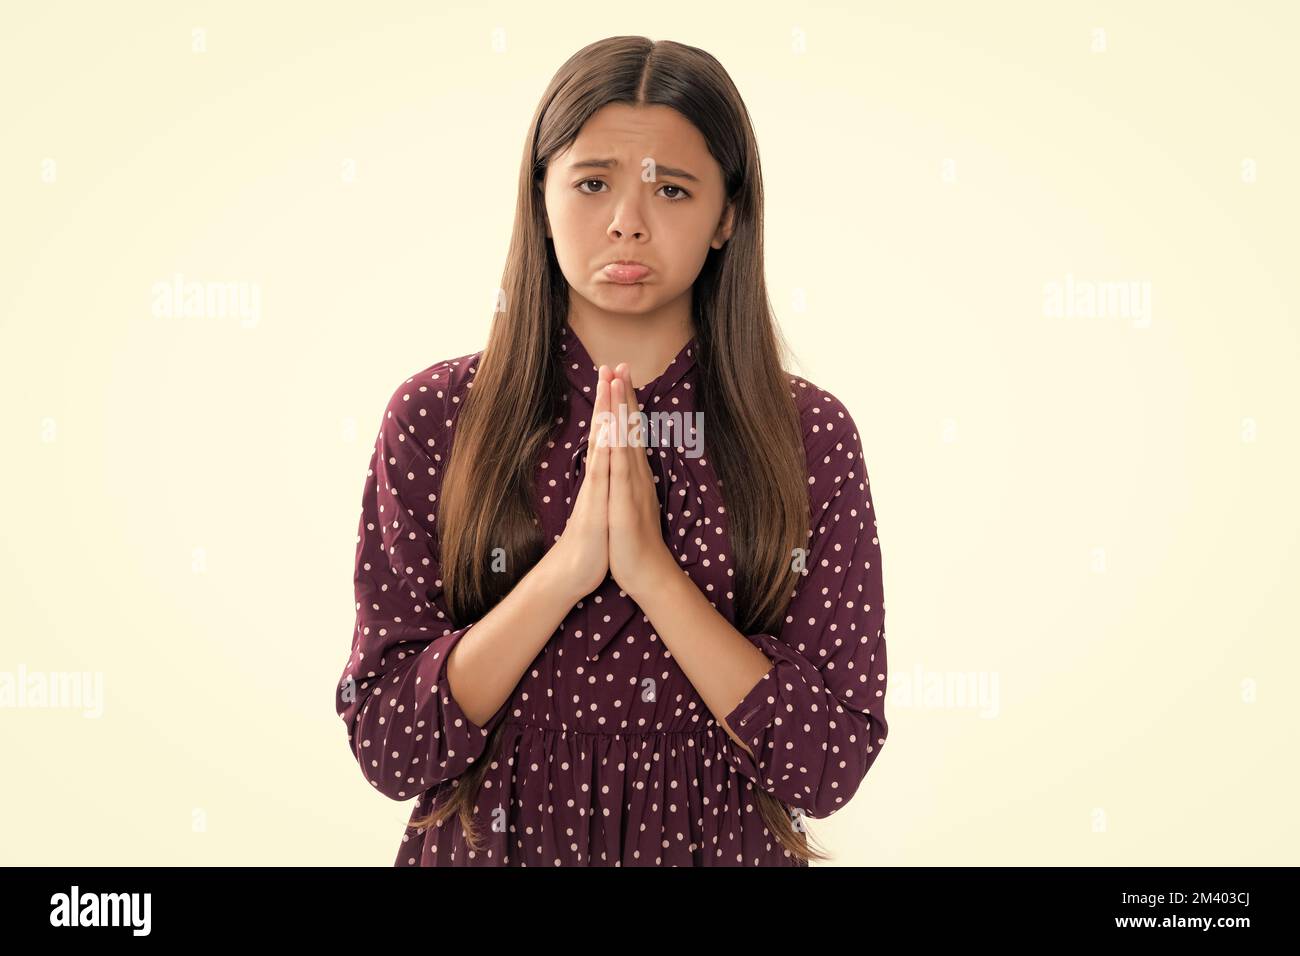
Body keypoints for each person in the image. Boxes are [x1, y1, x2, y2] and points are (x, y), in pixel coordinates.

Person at [334, 35, 889, 866]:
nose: (628, 220)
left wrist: (653, 575)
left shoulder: (807, 435)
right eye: (593, 183)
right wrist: (568, 568)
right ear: (540, 195)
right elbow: (390, 744)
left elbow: (831, 762)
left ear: (727, 215)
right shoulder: (438, 417)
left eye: (672, 188)